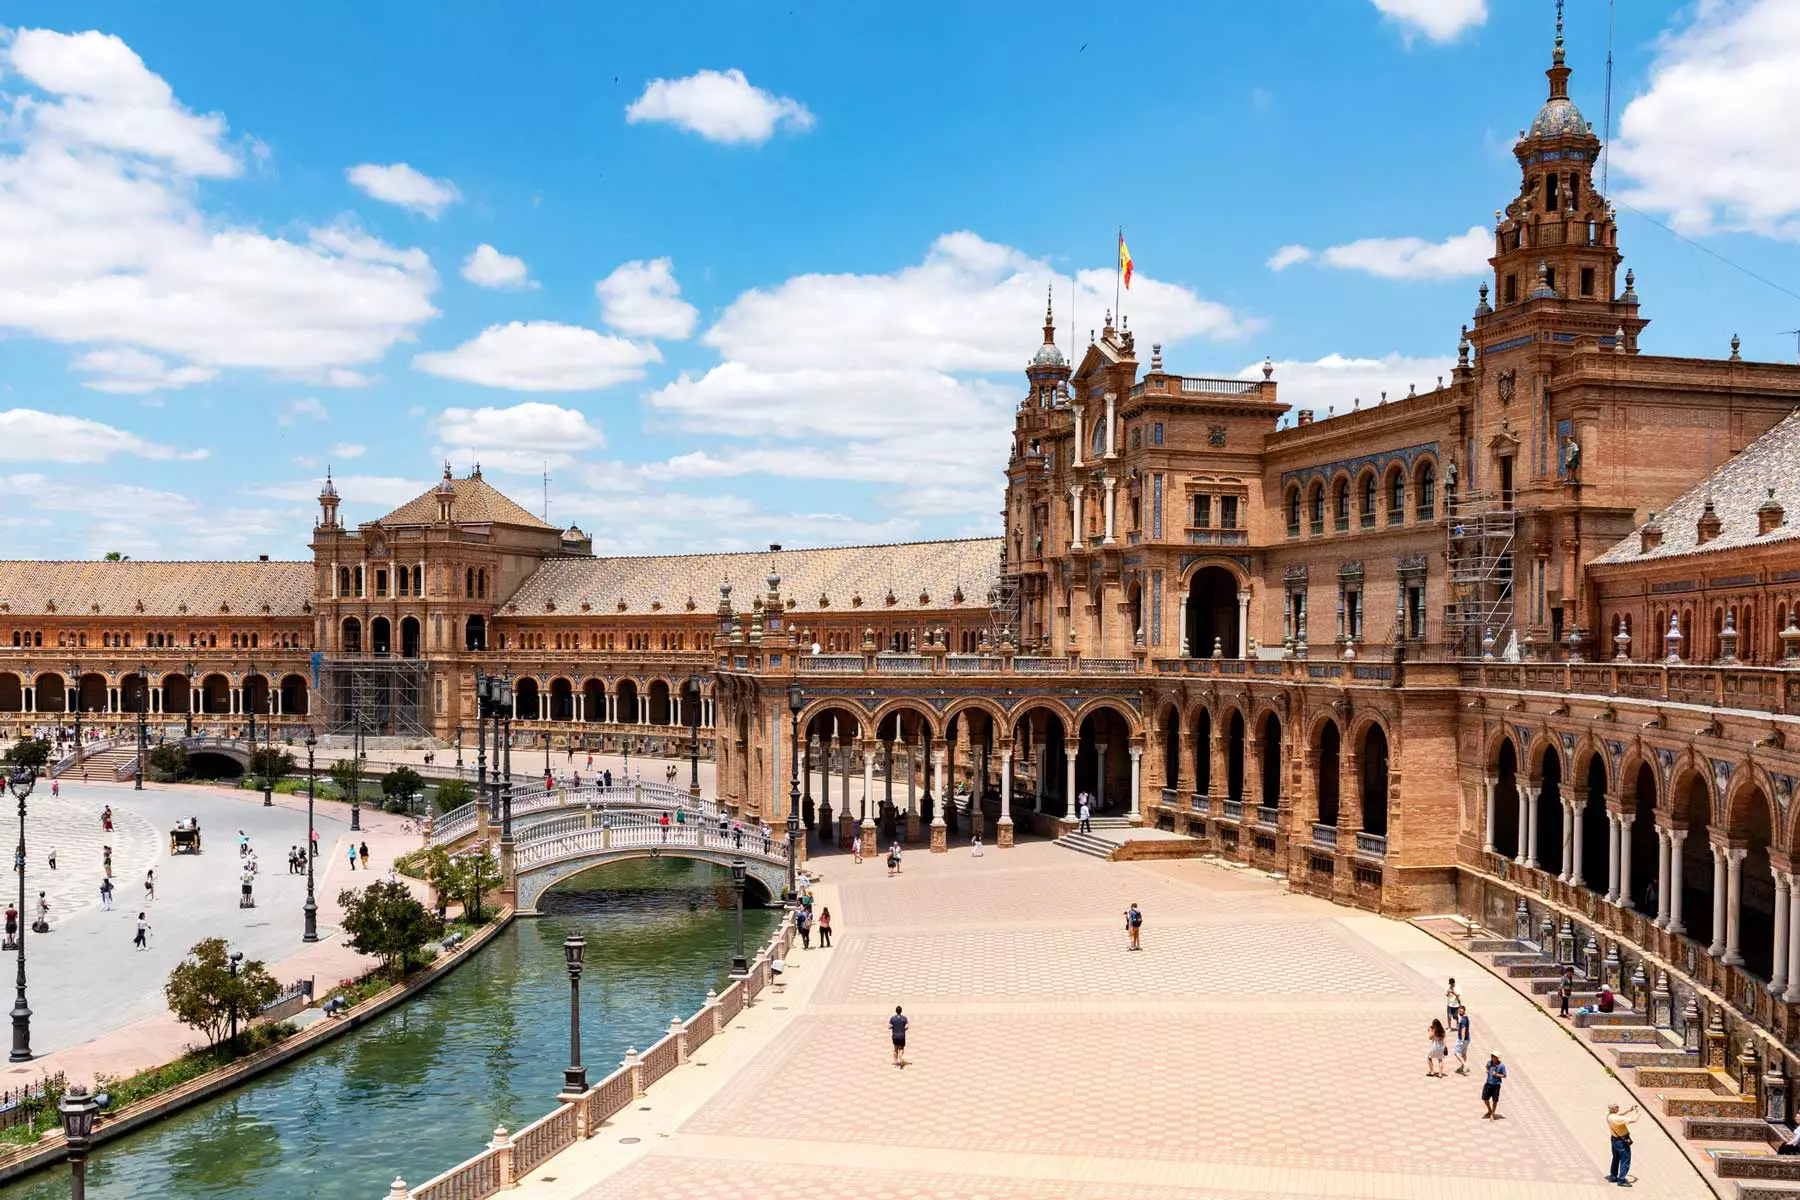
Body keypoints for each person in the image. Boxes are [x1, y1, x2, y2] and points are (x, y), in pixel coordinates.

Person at [1607, 1103, 1638, 1185]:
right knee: (1625, 1159)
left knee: (1616, 1158)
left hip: (1614, 1139)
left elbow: (1621, 1113)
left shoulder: (1610, 1115)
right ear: (1613, 1109)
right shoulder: (1616, 1119)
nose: (1618, 1107)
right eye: (1616, 1107)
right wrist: (1637, 1112)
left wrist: (1629, 1109)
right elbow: (1634, 1120)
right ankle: (1621, 1180)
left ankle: (1613, 1176)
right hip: (1621, 1141)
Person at [1481, 1054, 1507, 1119]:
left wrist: (1497, 1075)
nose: (1493, 1058)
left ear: (1497, 1058)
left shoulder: (1501, 1066)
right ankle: (1490, 1110)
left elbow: (1504, 1075)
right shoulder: (1489, 1063)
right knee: (1485, 1098)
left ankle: (1492, 1114)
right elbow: (1487, 1067)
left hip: (1496, 1085)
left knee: (1495, 1100)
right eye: (1492, 1057)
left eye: (1495, 1057)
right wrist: (1487, 1070)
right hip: (1488, 1083)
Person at [1453, 1005, 1471, 1075]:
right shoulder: (1465, 1017)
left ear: (1464, 1011)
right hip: (1467, 1039)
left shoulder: (1463, 1020)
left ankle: (1465, 1065)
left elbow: (1463, 1030)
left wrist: (1462, 1040)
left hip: (1463, 1039)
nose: (1459, 1012)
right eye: (1459, 1011)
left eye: (1461, 1011)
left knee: (1456, 1053)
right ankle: (1462, 1067)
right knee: (1463, 1053)